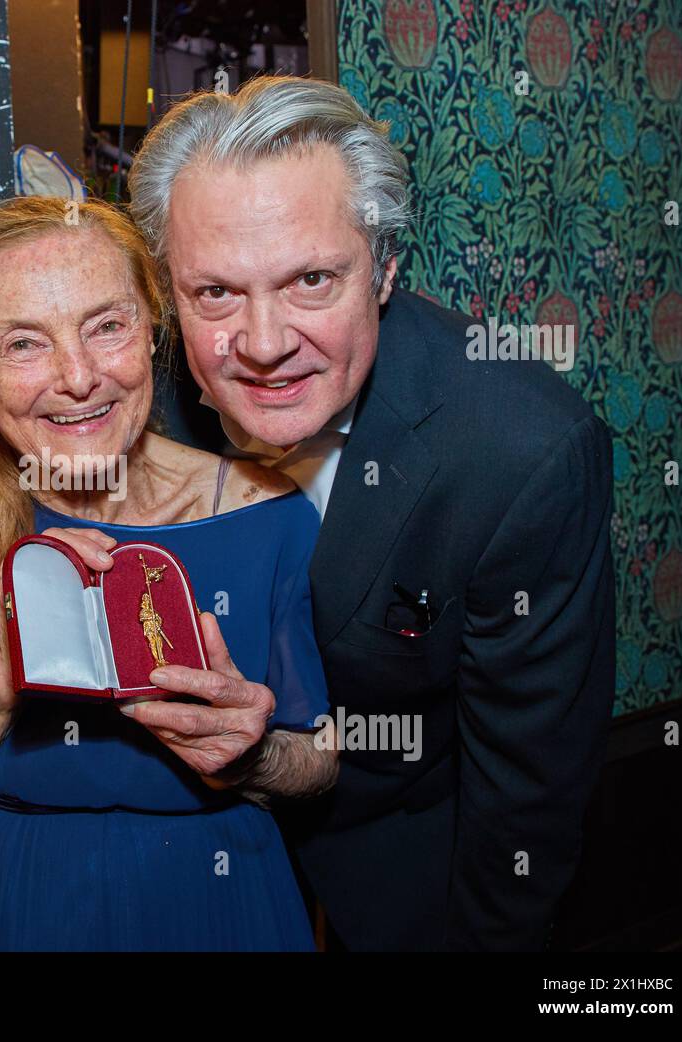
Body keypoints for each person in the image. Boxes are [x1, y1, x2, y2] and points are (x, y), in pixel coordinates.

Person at [127, 75, 616, 950]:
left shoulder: (519, 452)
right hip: (162, 860)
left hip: (400, 880)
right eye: (215, 294)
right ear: (167, 291)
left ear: (385, 268)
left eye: (312, 279)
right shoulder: (123, 406)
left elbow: (529, 794)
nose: (266, 342)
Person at [0, 196, 338, 951]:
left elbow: (320, 762)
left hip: (221, 905)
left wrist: (254, 752)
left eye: (107, 326)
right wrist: (2, 686)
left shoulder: (268, 516)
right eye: (24, 344)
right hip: (7, 906)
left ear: (153, 334)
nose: (78, 378)